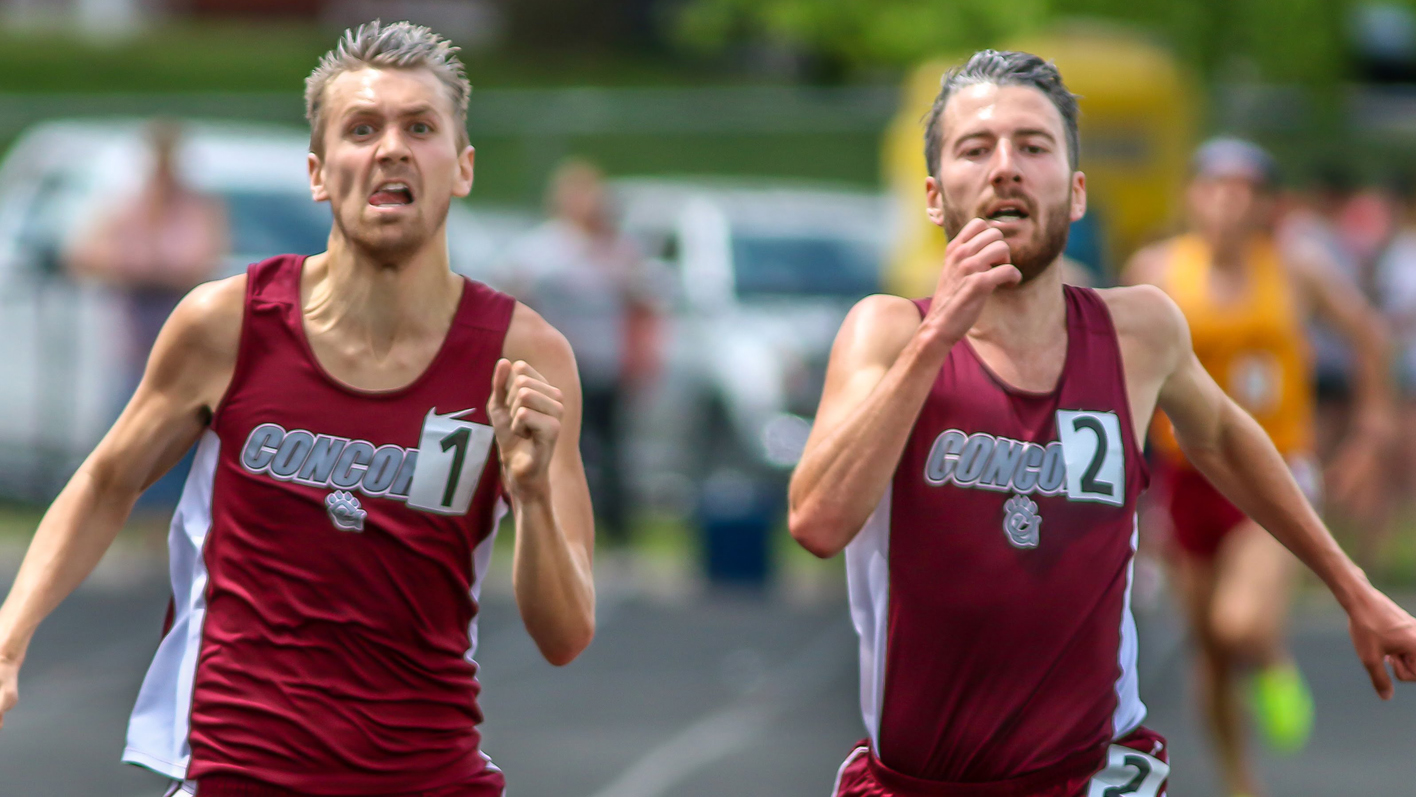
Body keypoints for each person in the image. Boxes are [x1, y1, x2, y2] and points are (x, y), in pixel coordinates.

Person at [788, 50, 1416, 797]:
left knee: (1229, 632)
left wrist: (1354, 588)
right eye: (976, 148)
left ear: (1076, 191)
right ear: (934, 196)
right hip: (919, 780)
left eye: (1033, 146)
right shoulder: (886, 334)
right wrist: (937, 341)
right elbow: (818, 521)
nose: (1006, 168)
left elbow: (1223, 435)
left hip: (1089, 771)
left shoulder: (1138, 332)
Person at [0, 20, 595, 797]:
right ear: (318, 172)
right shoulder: (227, 324)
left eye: (420, 127)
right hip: (238, 773)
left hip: (427, 776)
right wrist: (10, 636)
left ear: (463, 168)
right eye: (362, 128)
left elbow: (566, 634)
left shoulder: (525, 356)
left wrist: (537, 488)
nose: (391, 148)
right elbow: (107, 481)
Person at [1124, 138, 1394, 797]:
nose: (1228, 200)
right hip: (1189, 475)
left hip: (1275, 470)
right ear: (1192, 194)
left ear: (1267, 204)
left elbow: (1367, 333)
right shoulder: (1157, 268)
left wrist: (1372, 425)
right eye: (1216, 185)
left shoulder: (1294, 268)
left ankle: (1269, 653)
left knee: (1238, 622)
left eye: (1245, 189)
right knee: (1209, 650)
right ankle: (1239, 782)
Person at [501, 159, 661, 545]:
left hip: (603, 367)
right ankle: (528, 521)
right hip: (555, 369)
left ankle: (615, 533)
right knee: (545, 444)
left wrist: (640, 357)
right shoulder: (543, 248)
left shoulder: (618, 251)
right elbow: (510, 295)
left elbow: (643, 305)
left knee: (609, 454)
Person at [67, 119, 228, 400]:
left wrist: (144, 266)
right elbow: (84, 254)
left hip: (184, 338)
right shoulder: (128, 204)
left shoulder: (197, 207)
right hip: (132, 341)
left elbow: (199, 262)